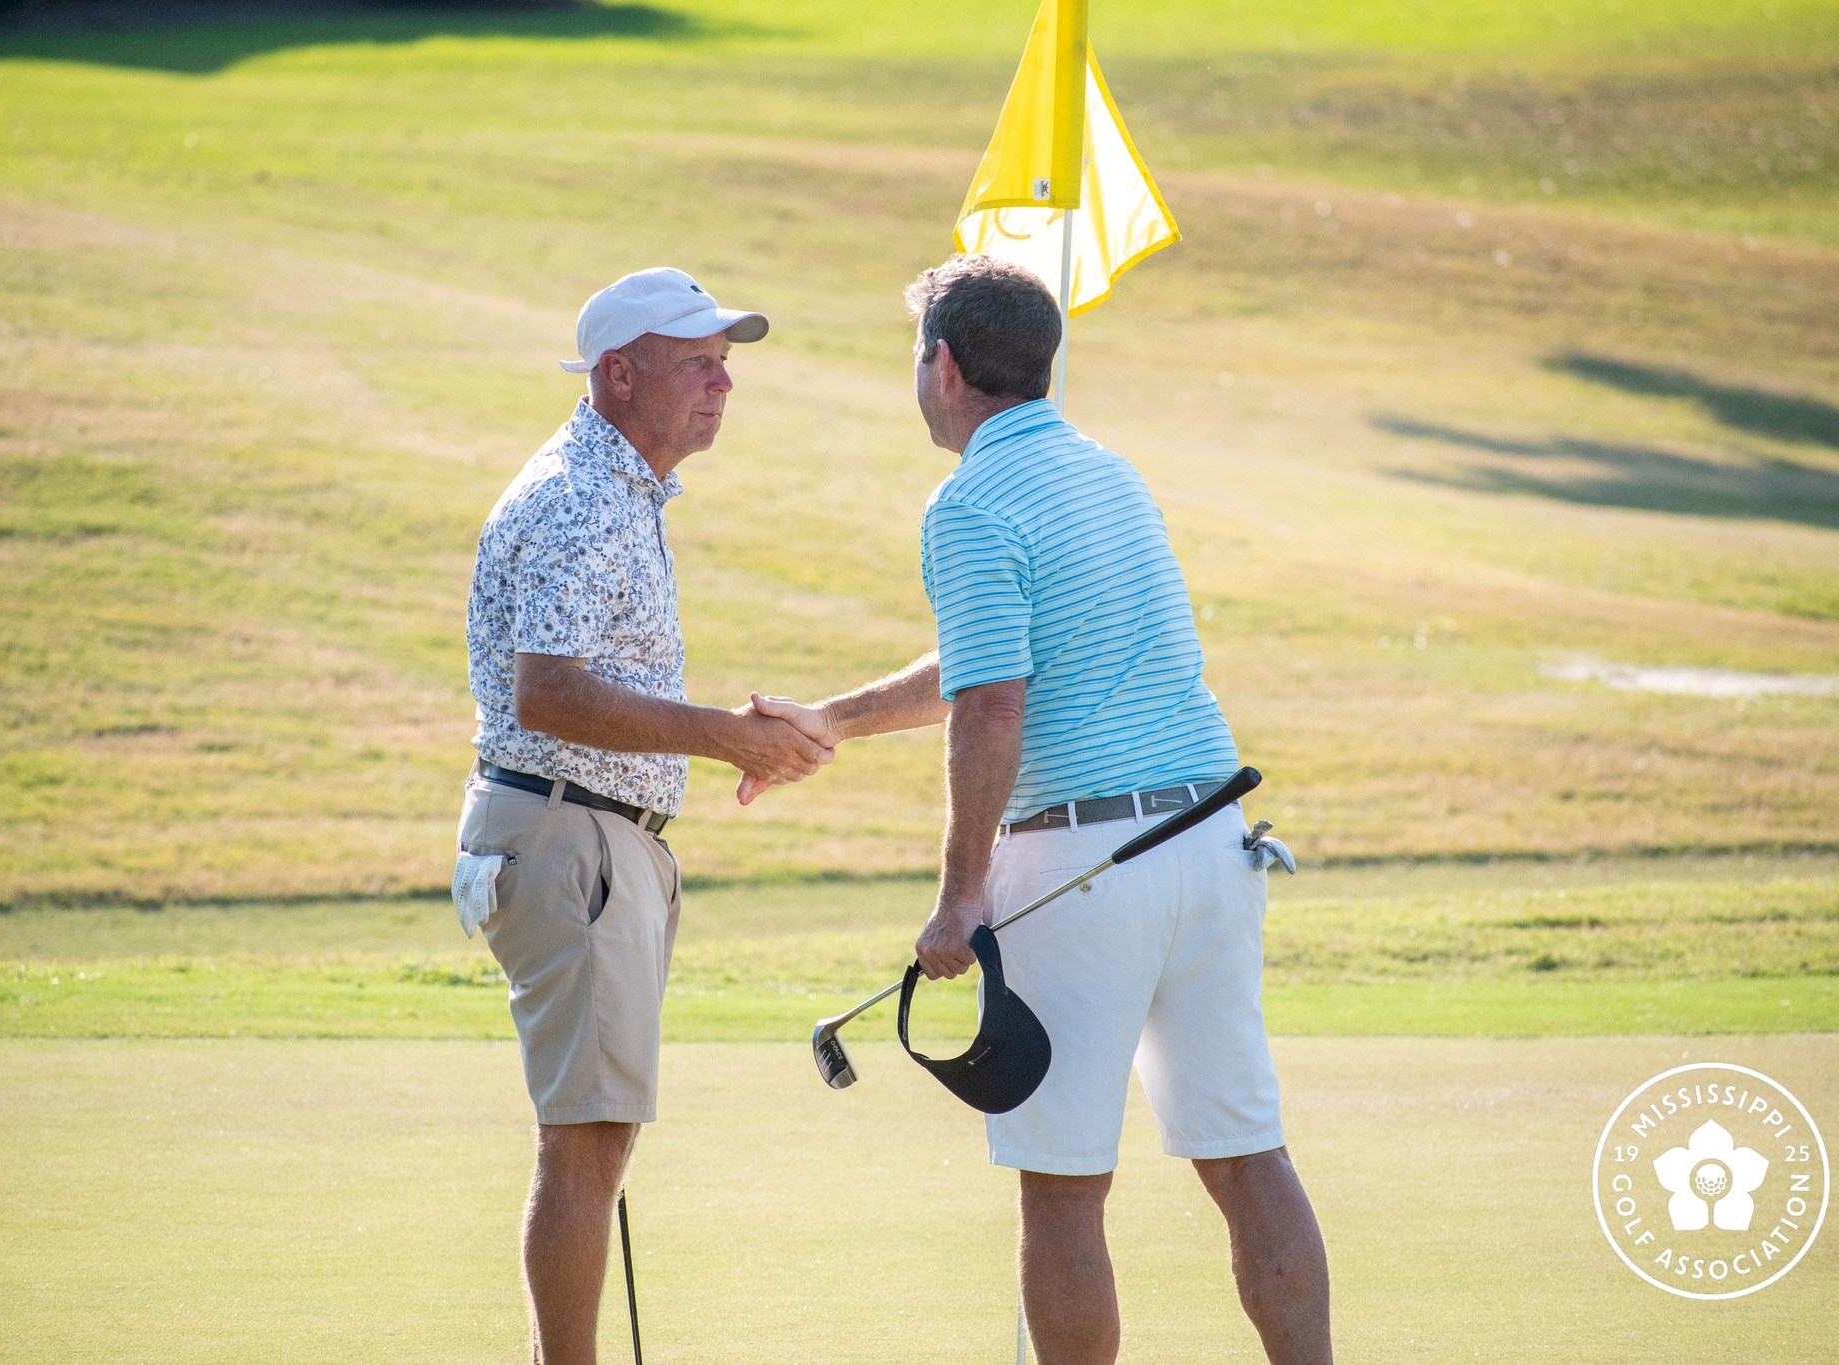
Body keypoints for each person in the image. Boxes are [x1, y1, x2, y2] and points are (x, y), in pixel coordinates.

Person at [748, 256, 1332, 1364]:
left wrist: (958, 900)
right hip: (1211, 841)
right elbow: (990, 664)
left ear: (944, 365)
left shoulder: (968, 503)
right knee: (1246, 1156)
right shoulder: (1108, 471)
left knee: (1062, 1186)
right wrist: (835, 720)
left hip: (1083, 868)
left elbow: (992, 707)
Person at [459, 266, 834, 1364]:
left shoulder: (617, 489)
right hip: (570, 833)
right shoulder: (580, 495)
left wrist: (722, 740)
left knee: (595, 1136)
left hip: (589, 835)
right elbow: (549, 693)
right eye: (697, 364)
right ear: (618, 375)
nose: (723, 385)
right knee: (585, 1144)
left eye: (724, 365)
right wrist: (724, 736)